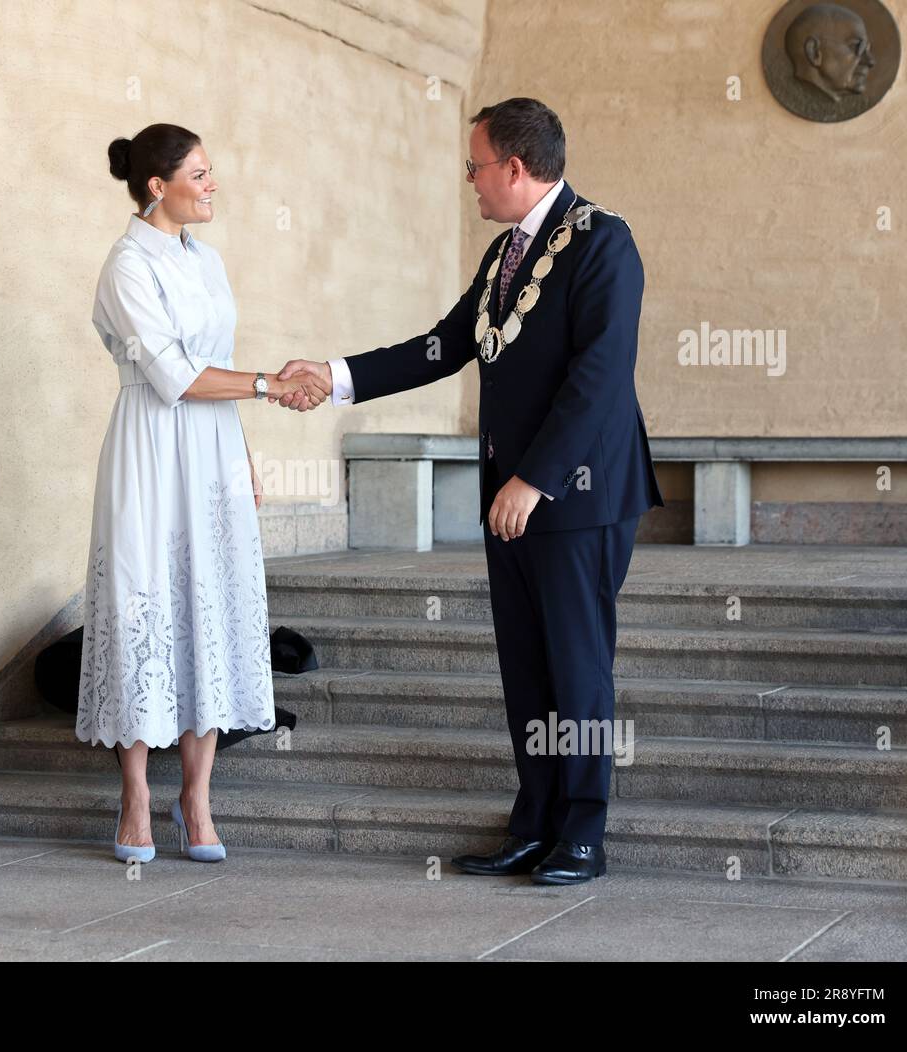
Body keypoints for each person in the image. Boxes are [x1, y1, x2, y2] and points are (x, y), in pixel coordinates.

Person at [278, 98, 663, 884]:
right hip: (511, 496)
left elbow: (599, 379)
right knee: (526, 664)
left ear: (515, 168)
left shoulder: (603, 243)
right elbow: (444, 345)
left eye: (475, 165)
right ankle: (534, 821)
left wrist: (536, 478)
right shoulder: (504, 254)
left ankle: (583, 831)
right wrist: (336, 374)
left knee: (578, 666)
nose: (470, 181)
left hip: (576, 494)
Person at [77, 122, 329, 864]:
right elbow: (174, 376)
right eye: (200, 173)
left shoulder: (208, 261)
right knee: (140, 604)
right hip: (151, 448)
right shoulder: (126, 265)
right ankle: (133, 798)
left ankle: (196, 798)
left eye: (211, 171)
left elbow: (209, 360)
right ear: (159, 186)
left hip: (212, 448)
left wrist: (242, 449)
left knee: (210, 606)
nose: (213, 184)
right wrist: (269, 385)